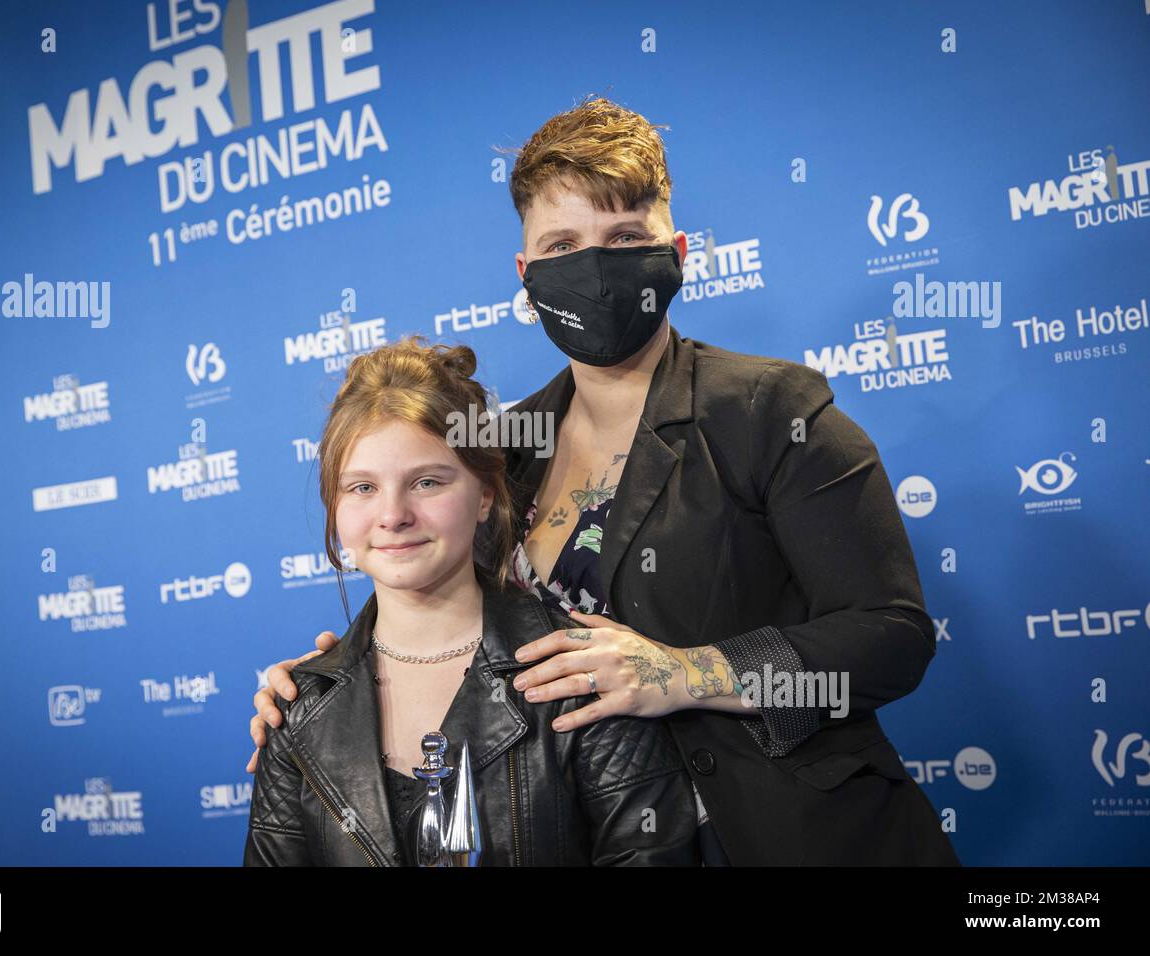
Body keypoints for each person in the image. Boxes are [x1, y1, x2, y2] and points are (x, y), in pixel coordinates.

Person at [250, 95, 959, 865]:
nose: (594, 266)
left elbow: (892, 641)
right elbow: (457, 619)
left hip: (790, 835)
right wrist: (339, 686)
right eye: (562, 244)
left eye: (625, 237)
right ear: (526, 275)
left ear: (677, 252)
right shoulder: (508, 449)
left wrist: (687, 673)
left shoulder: (769, 410)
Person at [243, 336, 700, 866]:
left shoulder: (580, 675)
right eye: (362, 488)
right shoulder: (297, 708)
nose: (393, 515)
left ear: (484, 494)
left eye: (427, 482)